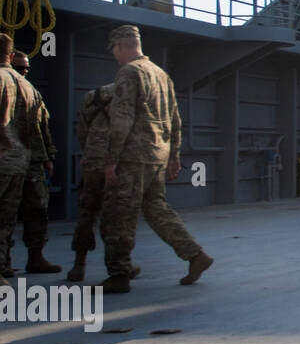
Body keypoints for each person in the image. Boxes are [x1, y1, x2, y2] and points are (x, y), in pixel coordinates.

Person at [99, 24, 215, 293]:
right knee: (157, 210)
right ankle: (195, 255)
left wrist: (111, 159)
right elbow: (175, 119)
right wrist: (173, 155)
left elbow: (122, 119)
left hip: (132, 157)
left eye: (114, 49)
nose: (115, 55)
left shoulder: (129, 72)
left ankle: (119, 274)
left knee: (119, 215)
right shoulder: (161, 74)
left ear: (120, 46)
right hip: (157, 156)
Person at [7, 51, 60, 274]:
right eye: (19, 68)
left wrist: (48, 155)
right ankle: (4, 261)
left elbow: (43, 126)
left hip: (34, 161)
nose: (23, 72)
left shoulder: (32, 92)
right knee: (6, 210)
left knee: (38, 209)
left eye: (26, 68)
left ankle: (36, 257)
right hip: (8, 159)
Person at [68, 83, 124, 282]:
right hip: (116, 163)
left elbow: (82, 130)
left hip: (92, 160)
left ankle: (78, 264)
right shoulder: (129, 97)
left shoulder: (92, 95)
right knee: (116, 216)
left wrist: (89, 153)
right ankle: (120, 266)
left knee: (87, 212)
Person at [0, 34, 40, 287]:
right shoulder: (27, 86)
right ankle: (3, 266)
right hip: (19, 161)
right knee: (5, 219)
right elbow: (35, 129)